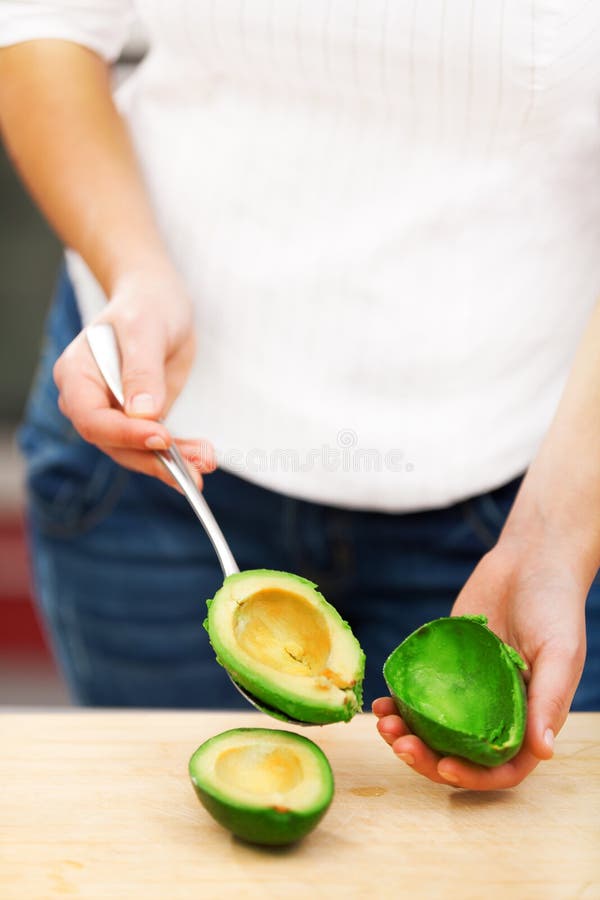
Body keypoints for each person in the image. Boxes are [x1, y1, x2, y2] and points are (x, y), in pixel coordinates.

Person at [0, 2, 598, 792]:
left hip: (533, 475)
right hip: (154, 473)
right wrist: (134, 270)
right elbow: (46, 26)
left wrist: (559, 534)